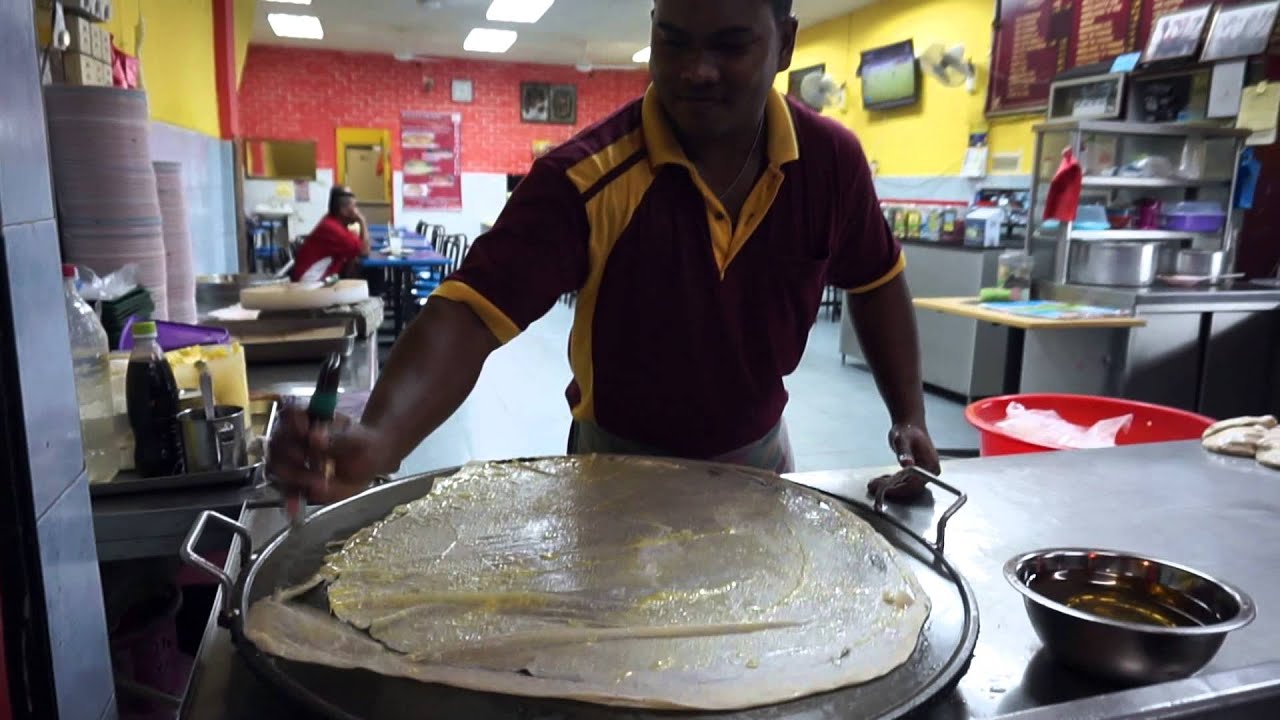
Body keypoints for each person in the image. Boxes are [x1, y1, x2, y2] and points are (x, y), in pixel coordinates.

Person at [270, 0, 941, 503]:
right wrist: (383, 436)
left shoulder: (830, 164)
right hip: (613, 473)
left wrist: (909, 416)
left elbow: (876, 280)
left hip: (762, 461)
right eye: (671, 42)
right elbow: (469, 315)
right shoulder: (589, 177)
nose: (695, 71)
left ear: (785, 42)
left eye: (731, 45)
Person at [289, 185, 371, 281]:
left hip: (316, 278)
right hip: (310, 284)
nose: (357, 211)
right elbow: (364, 252)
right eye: (354, 206)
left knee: (355, 266)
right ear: (343, 210)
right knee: (369, 275)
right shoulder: (334, 229)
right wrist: (362, 221)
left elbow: (355, 248)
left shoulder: (330, 220)